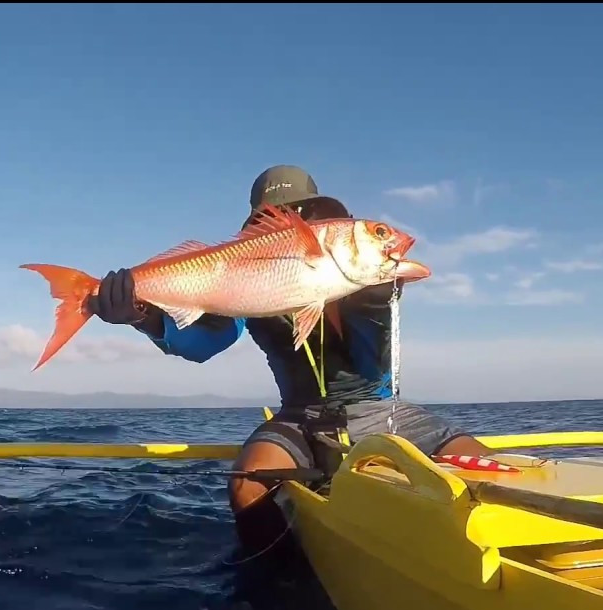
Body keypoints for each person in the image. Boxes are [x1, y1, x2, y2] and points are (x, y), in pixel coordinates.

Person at [88, 165, 492, 549]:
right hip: (299, 415)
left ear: (319, 217)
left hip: (381, 410)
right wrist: (143, 317)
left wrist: (372, 304)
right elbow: (204, 344)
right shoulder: (248, 278)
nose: (288, 224)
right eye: (272, 218)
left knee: (487, 467)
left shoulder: (354, 274)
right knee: (246, 485)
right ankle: (275, 577)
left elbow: (371, 362)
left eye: (300, 214)